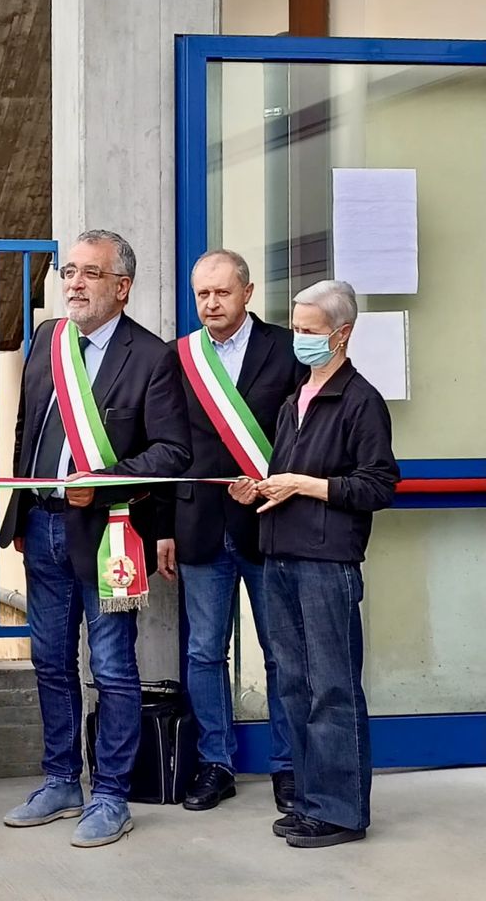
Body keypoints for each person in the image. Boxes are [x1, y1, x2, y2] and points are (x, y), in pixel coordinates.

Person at [0, 229, 191, 848]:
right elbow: (31, 431)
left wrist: (104, 483)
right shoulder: (50, 343)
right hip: (43, 526)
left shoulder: (153, 357)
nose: (73, 283)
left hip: (109, 536)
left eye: (88, 274)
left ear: (122, 287)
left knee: (111, 666)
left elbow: (173, 452)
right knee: (50, 661)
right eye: (68, 271)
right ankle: (60, 781)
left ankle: (110, 794)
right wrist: (21, 514)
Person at [231, 279, 398, 849]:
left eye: (308, 332)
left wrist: (307, 485)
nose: (297, 340)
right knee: (296, 686)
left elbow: (378, 484)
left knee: (333, 688)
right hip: (280, 552)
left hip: (327, 562)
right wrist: (261, 489)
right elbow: (291, 476)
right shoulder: (294, 398)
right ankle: (309, 800)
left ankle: (342, 813)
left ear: (342, 334)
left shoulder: (361, 401)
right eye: (296, 329)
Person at [158, 249, 305, 813]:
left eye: (222, 292)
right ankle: (215, 762)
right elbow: (170, 448)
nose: (211, 303)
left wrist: (271, 483)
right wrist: (164, 527)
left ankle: (288, 767)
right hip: (198, 525)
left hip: (269, 525)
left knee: (281, 651)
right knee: (203, 651)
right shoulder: (181, 357)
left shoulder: (286, 351)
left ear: (247, 292)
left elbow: (298, 436)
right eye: (202, 294)